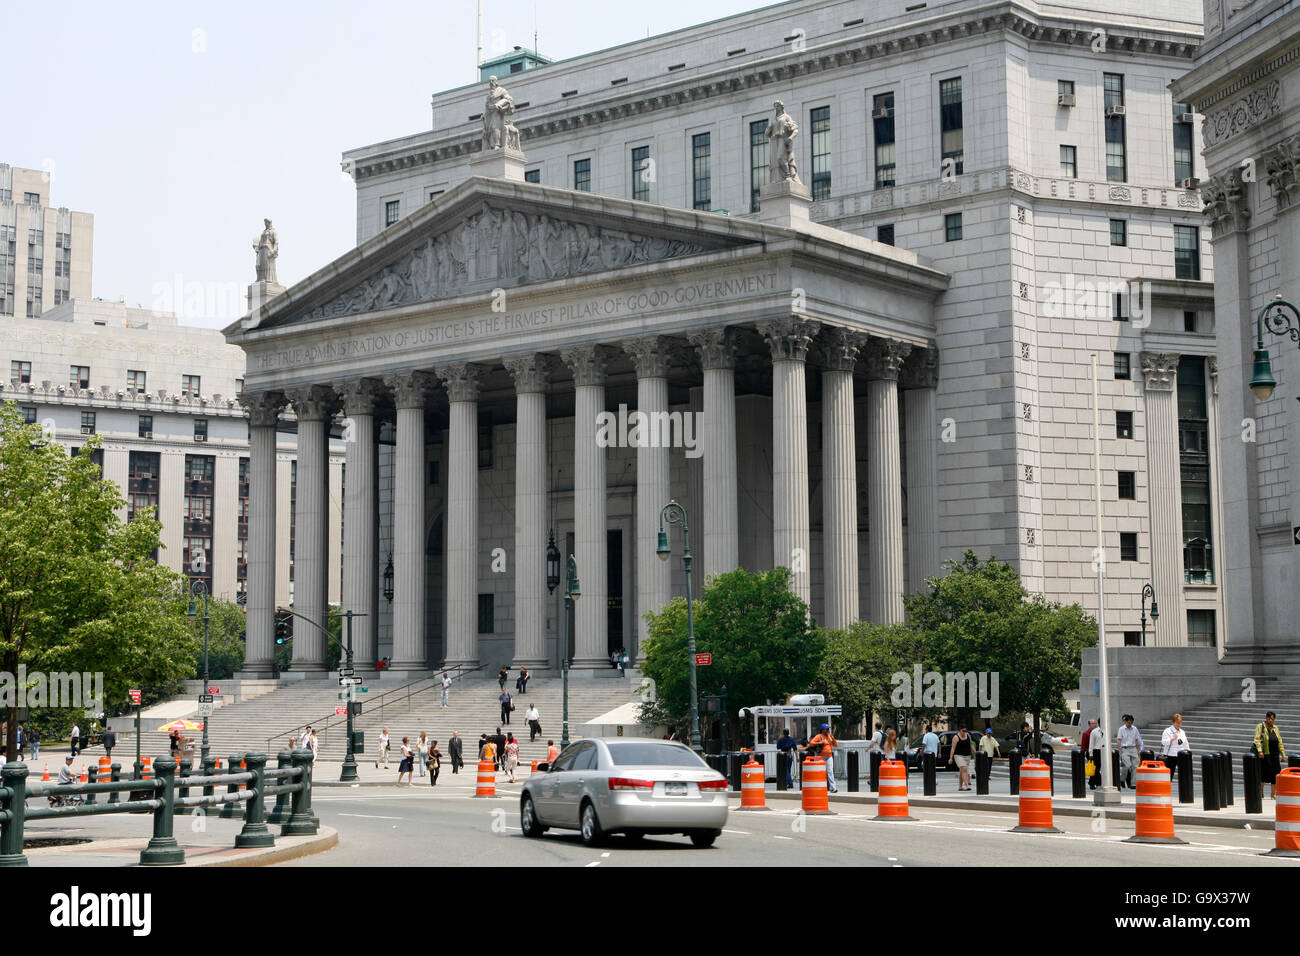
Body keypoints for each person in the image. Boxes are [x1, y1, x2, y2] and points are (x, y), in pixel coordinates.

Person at [1255, 711, 1287, 799]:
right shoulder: (1261, 726)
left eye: (1272, 719)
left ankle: (1273, 794)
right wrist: (1260, 751)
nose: (1270, 720)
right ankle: (1261, 791)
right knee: (1264, 773)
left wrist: (1283, 755)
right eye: (1269, 718)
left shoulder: (1275, 728)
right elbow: (1257, 739)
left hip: (1275, 754)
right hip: (1265, 754)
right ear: (1266, 718)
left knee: (1275, 773)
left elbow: (1280, 742)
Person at [804, 723, 838, 794]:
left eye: (828, 729)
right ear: (823, 730)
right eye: (826, 729)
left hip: (829, 756)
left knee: (830, 772)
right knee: (819, 772)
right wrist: (820, 742)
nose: (828, 730)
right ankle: (819, 787)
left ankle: (833, 788)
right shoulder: (819, 736)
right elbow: (811, 743)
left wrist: (833, 738)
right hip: (821, 756)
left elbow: (836, 745)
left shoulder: (830, 736)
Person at [1116, 714, 1144, 789]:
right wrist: (1119, 750)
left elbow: (1137, 740)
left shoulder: (1134, 729)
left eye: (1131, 722)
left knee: (1135, 766)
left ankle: (1133, 783)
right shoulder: (1121, 729)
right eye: (1128, 722)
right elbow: (1119, 740)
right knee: (1127, 765)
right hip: (1125, 748)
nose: (1130, 724)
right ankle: (1122, 779)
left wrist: (1138, 751)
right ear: (1126, 721)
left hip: (1133, 748)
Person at [947, 725, 975, 791]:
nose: (964, 732)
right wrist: (950, 758)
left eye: (965, 731)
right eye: (963, 731)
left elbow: (971, 744)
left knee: (962, 771)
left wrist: (975, 752)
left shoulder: (968, 735)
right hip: (958, 756)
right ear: (960, 730)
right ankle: (967, 785)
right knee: (964, 769)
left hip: (967, 755)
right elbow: (953, 748)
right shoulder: (956, 737)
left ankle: (960, 787)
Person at [1089, 723, 1104, 790]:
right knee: (1096, 768)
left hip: (1104, 751)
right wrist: (1091, 754)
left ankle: (1095, 782)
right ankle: (1094, 783)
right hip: (1096, 751)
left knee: (1101, 769)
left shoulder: (1106, 731)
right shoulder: (1094, 732)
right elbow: (1091, 743)